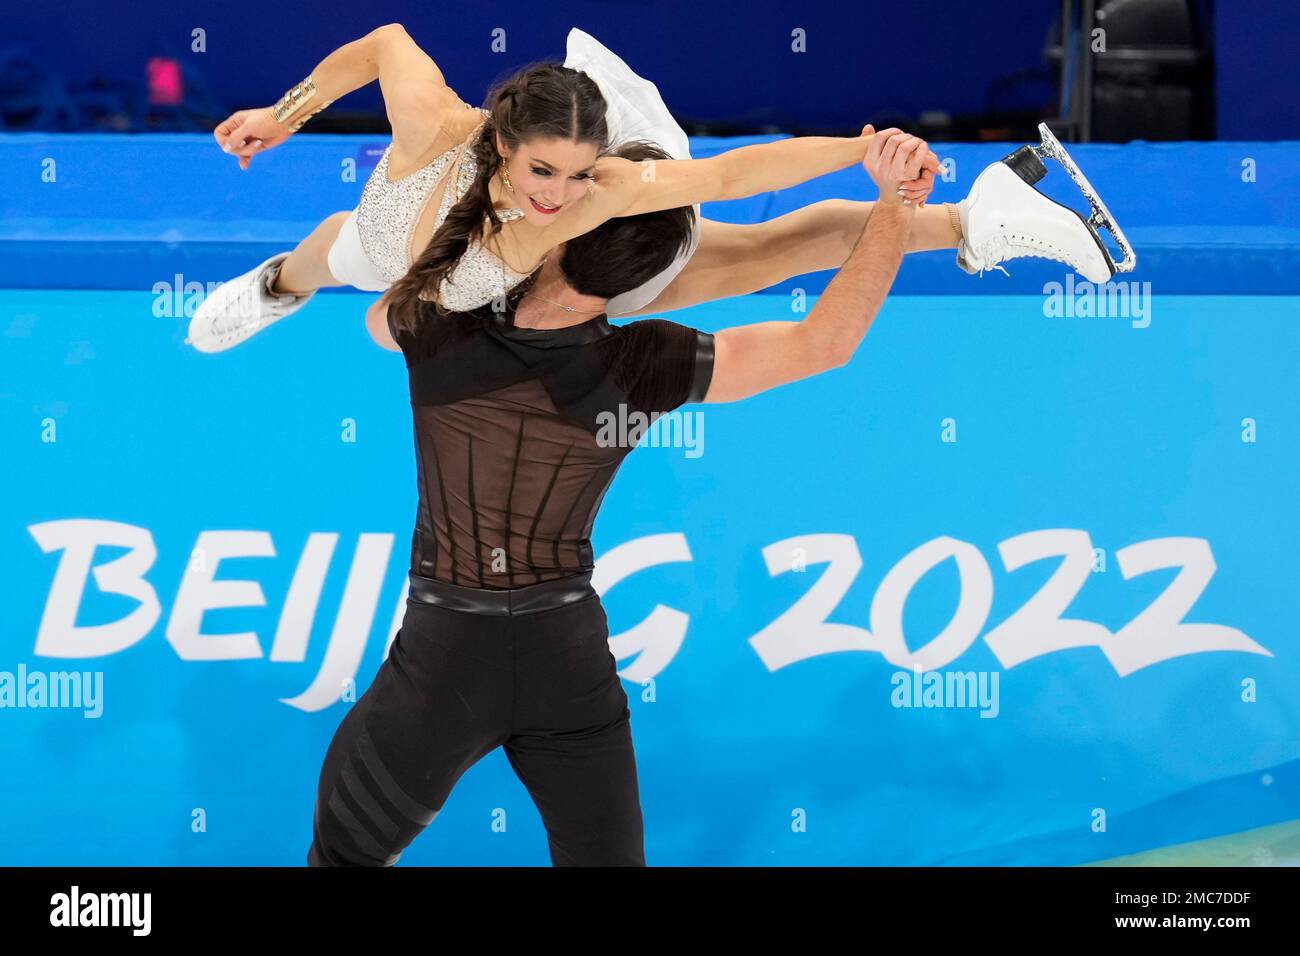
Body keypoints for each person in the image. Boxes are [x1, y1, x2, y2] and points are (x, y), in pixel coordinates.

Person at [306, 127, 928, 867]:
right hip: (565, 660)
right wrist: (894, 202)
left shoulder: (439, 322)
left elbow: (374, 318)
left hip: (444, 659)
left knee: (339, 859)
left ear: (564, 228)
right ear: (653, 276)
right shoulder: (645, 360)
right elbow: (826, 342)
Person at [186, 25, 1113, 354]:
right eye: (541, 170)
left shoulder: (596, 195)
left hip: (511, 305)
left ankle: (975, 217)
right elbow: (381, 42)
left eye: (577, 175)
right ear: (503, 140)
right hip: (397, 240)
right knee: (331, 259)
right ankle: (273, 290)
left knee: (759, 252)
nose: (557, 194)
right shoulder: (431, 126)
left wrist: (863, 148)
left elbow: (734, 172)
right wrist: (285, 110)